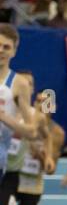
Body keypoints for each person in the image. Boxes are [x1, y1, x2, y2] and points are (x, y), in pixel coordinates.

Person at [0, 26, 37, 180]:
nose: (1, 50)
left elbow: (31, 131)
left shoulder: (19, 84)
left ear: (14, 52)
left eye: (6, 47)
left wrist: (4, 118)